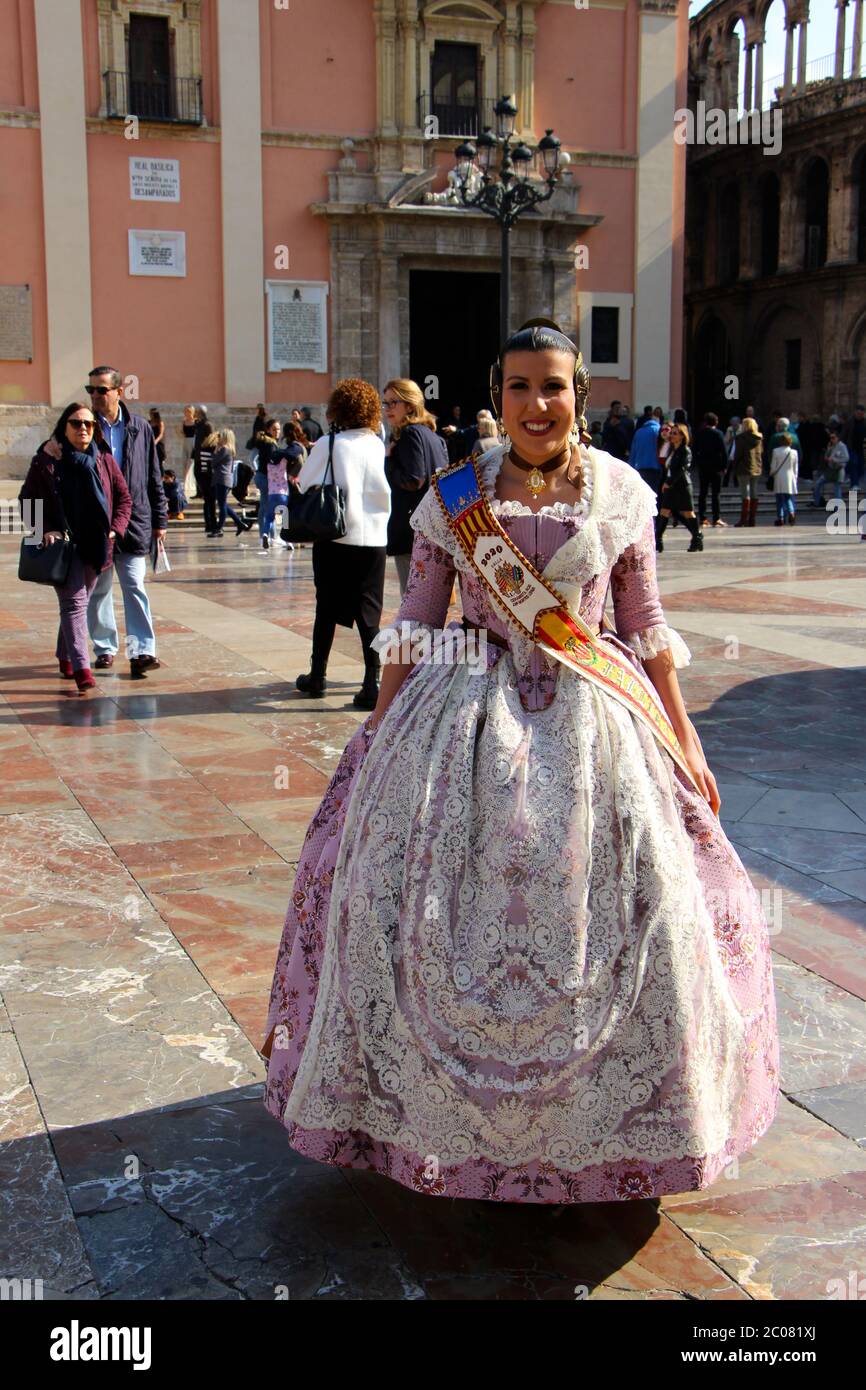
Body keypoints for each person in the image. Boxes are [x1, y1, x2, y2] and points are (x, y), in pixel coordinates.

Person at [261, 319, 779, 1205]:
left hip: (594, 709)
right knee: (398, 894)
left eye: (555, 386)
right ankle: (419, 1120)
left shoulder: (620, 491)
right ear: (495, 395)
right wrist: (380, 729)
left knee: (657, 895)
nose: (537, 404)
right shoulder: (454, 495)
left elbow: (643, 618)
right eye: (519, 387)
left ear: (581, 396)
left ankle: (633, 1123)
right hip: (461, 709)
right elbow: (419, 621)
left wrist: (683, 732)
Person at [41, 367, 166, 680]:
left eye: (101, 390)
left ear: (118, 392)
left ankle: (141, 651)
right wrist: (40, 530)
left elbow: (152, 476)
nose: (95, 396)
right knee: (97, 591)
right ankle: (104, 648)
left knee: (135, 585)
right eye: (91, 390)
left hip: (133, 521)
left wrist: (160, 518)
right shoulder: (81, 430)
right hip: (93, 528)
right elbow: (35, 489)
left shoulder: (139, 428)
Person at [19, 403, 132, 695]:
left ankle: (65, 656)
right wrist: (44, 531)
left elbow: (124, 499)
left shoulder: (103, 458)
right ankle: (82, 669)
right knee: (74, 603)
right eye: (76, 423)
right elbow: (27, 501)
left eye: (89, 424)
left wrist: (114, 530)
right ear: (63, 427)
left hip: (97, 545)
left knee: (78, 603)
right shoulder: (47, 461)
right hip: (64, 547)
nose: (83, 428)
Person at [294, 378, 390, 707]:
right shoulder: (377, 444)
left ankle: (317, 675)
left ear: (339, 408)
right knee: (370, 613)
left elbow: (306, 481)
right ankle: (372, 681)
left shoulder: (329, 443)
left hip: (336, 535)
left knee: (327, 606)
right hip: (375, 536)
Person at [382, 378, 449, 595]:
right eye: (385, 403)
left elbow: (413, 479)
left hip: (412, 529)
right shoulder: (435, 437)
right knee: (429, 600)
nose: (387, 409)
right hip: (434, 528)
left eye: (393, 403)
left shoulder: (409, 434)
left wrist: (389, 460)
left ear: (410, 405)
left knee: (412, 600)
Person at [656, 422, 702, 552]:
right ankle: (658, 541)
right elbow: (662, 457)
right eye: (671, 433)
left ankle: (696, 538)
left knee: (688, 513)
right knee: (664, 511)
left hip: (682, 486)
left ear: (682, 436)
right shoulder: (672, 450)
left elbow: (682, 469)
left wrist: (668, 482)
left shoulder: (685, 450)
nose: (672, 435)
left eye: (675, 433)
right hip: (671, 486)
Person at [205, 428, 255, 537]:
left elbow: (213, 462)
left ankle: (220, 528)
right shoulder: (229, 450)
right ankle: (239, 523)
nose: (218, 438)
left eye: (221, 436)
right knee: (222, 504)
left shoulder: (224, 449)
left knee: (222, 505)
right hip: (223, 479)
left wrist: (215, 450)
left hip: (222, 479)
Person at [693, 412, 728, 529]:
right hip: (716, 468)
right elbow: (724, 451)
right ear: (716, 422)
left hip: (703, 467)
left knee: (703, 493)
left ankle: (703, 518)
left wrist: (698, 463)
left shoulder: (700, 434)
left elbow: (694, 450)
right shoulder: (718, 434)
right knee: (715, 494)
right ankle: (716, 518)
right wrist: (724, 466)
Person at [733, 417, 763, 526]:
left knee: (745, 493)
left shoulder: (741, 438)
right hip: (757, 467)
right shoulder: (759, 438)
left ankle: (743, 519)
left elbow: (738, 454)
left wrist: (734, 467)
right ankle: (752, 519)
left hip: (744, 467)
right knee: (754, 492)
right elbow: (761, 452)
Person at [627, 410, 662, 497]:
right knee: (655, 493)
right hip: (656, 467)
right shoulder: (658, 430)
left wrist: (631, 466)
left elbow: (633, 451)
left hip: (641, 467)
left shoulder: (638, 432)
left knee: (644, 493)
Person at [192, 406, 215, 535]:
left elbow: (210, 441)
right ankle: (209, 523)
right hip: (200, 462)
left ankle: (211, 523)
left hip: (205, 462)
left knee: (209, 498)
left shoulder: (207, 425)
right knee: (208, 498)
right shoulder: (199, 425)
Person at [811, 430, 849, 506]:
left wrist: (835, 460)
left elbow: (846, 458)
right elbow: (826, 456)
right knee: (818, 484)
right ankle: (817, 502)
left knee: (837, 488)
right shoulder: (831, 446)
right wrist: (828, 451)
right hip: (830, 470)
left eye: (833, 438)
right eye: (830, 438)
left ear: (838, 438)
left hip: (838, 470)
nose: (831, 439)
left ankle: (838, 506)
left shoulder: (842, 446)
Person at [769, 430, 799, 526]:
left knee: (779, 499)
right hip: (790, 476)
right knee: (788, 498)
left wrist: (771, 474)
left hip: (779, 477)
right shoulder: (794, 452)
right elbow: (796, 468)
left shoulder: (776, 451)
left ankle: (781, 518)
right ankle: (791, 512)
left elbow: (773, 466)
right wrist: (795, 477)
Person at [843, 405, 865, 490]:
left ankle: (855, 481)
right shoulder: (850, 422)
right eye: (858, 413)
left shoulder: (864, 422)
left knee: (860, 467)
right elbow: (844, 434)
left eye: (862, 414)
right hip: (851, 447)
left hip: (861, 448)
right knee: (854, 464)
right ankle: (854, 484)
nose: (860, 415)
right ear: (855, 413)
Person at [181, 405, 198, 499]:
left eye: (188, 411)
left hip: (193, 442)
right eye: (185, 411)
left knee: (190, 463)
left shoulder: (196, 421)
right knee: (184, 462)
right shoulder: (184, 421)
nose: (186, 413)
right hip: (186, 441)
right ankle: (185, 483)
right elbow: (182, 432)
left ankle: (190, 483)